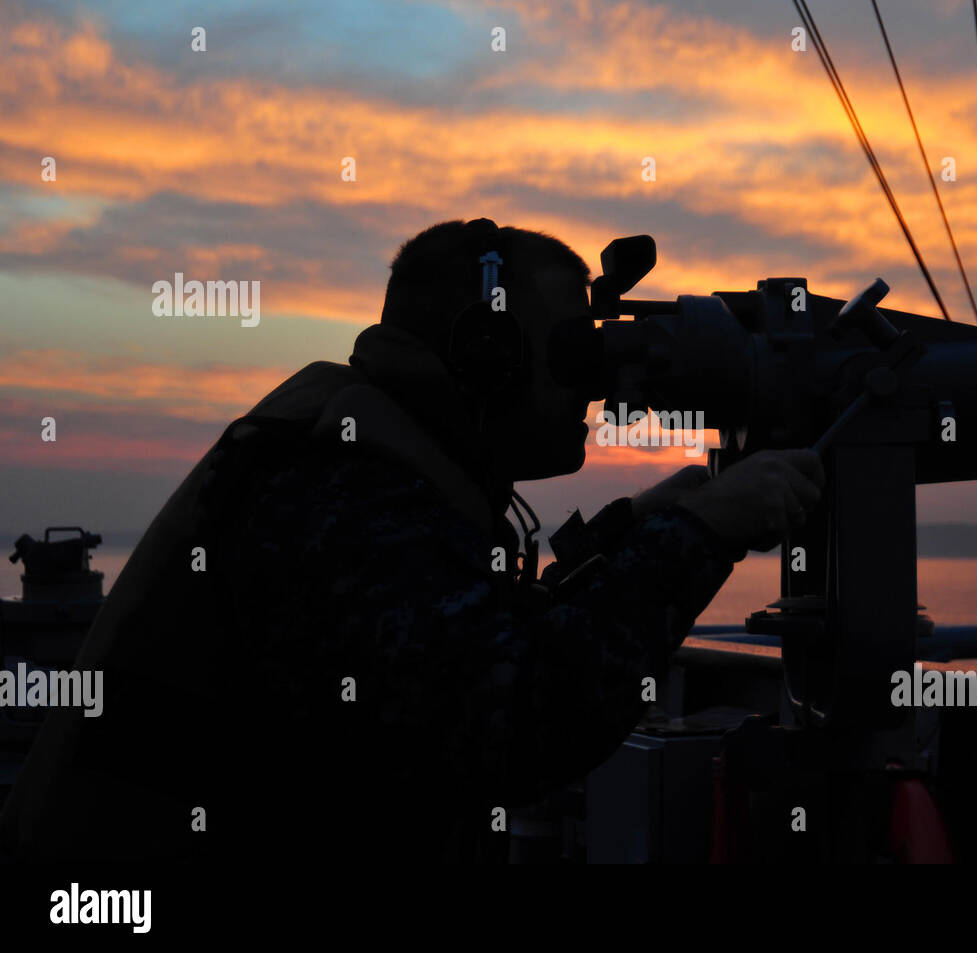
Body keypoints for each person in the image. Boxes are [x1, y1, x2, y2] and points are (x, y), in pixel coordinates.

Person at [0, 218, 823, 864]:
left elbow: (470, 639)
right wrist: (700, 533)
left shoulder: (375, 466)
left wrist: (638, 529)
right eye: (572, 354)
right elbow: (513, 719)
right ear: (487, 356)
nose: (596, 386)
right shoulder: (339, 494)